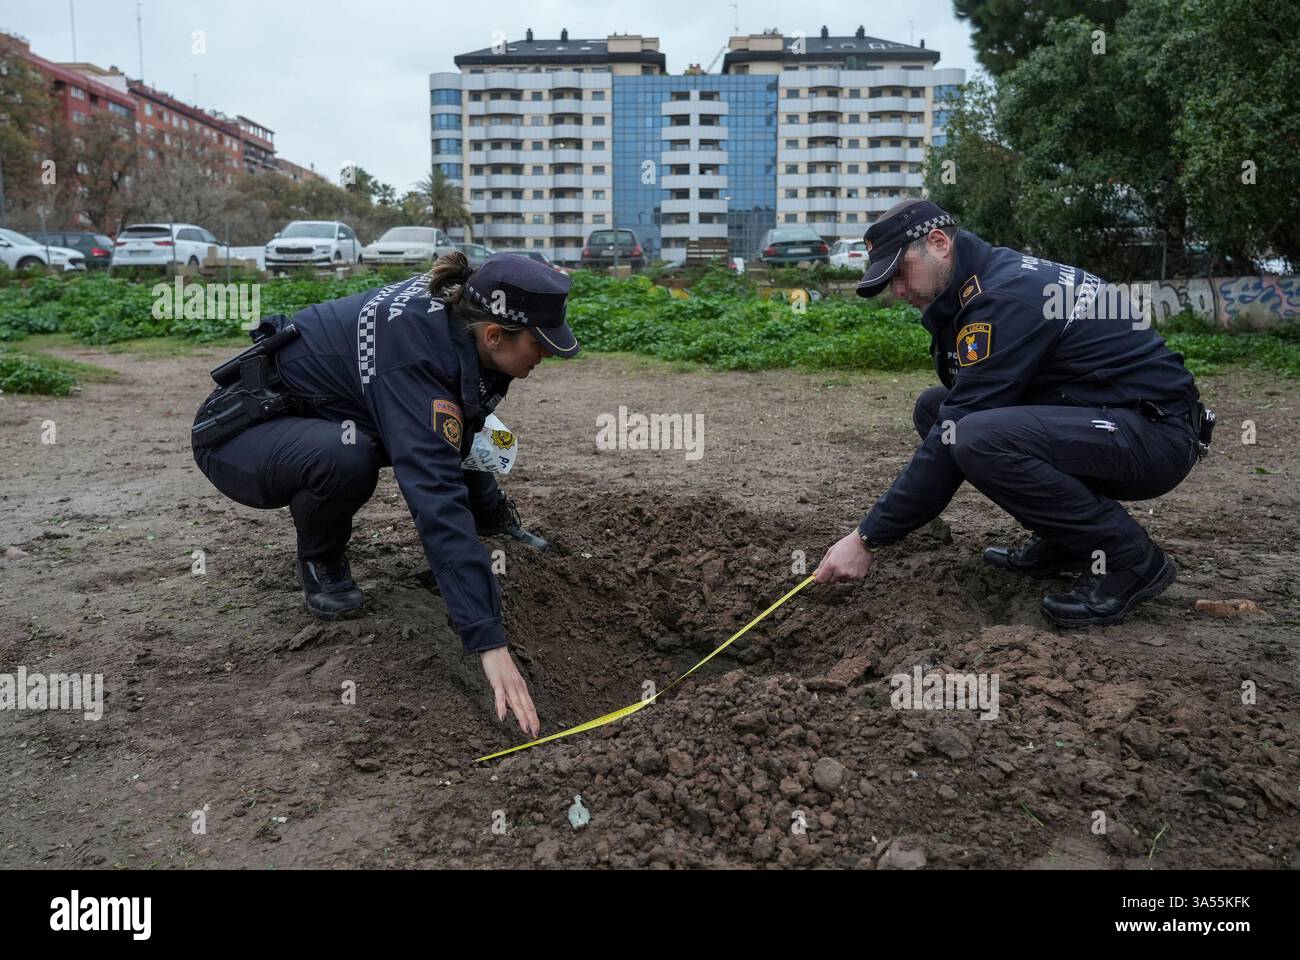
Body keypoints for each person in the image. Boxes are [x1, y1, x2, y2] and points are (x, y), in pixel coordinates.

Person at [192, 251, 580, 735]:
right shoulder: (415, 362)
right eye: (539, 344)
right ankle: (322, 558)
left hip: (324, 410)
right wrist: (489, 641)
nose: (545, 355)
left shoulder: (463, 306)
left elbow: (461, 423)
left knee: (444, 425)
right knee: (348, 454)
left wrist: (489, 517)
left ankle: (492, 515)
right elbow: (434, 496)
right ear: (495, 335)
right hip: (243, 436)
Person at [814, 200, 1210, 627]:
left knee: (977, 436)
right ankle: (1068, 540)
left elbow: (957, 430)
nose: (898, 290)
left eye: (900, 272)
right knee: (936, 409)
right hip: (1110, 416)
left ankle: (1130, 559)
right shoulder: (983, 280)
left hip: (1157, 433)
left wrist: (867, 537)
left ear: (939, 242)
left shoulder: (1006, 296)